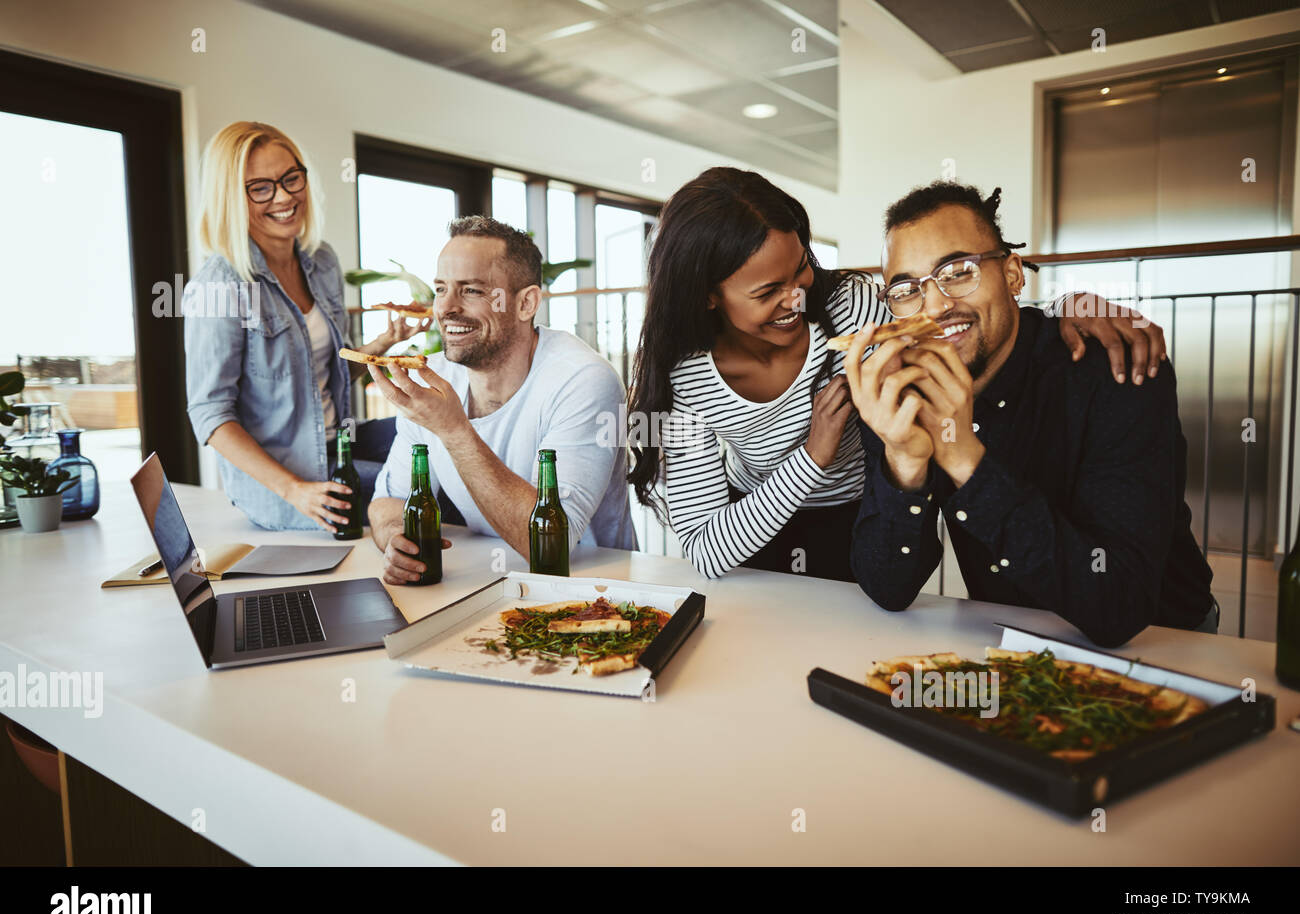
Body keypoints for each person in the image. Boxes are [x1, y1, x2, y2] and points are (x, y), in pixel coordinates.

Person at [626, 167, 1168, 582]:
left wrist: (1064, 305)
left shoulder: (854, 307)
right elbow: (704, 547)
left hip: (866, 515)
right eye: (768, 292)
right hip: (751, 534)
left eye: (801, 271)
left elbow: (952, 319)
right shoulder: (685, 380)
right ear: (708, 299)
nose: (798, 298)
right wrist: (812, 455)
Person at [845, 181, 1215, 647]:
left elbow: (1119, 605)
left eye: (958, 271)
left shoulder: (1114, 370)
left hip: (1168, 644)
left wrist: (964, 459)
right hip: (1010, 647)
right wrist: (903, 464)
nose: (935, 305)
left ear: (1014, 274)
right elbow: (887, 588)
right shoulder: (900, 394)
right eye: (906, 288)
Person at [184, 121, 430, 532]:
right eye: (260, 187)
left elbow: (329, 375)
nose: (284, 197)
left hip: (342, 443)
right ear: (230, 198)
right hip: (297, 480)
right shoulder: (220, 284)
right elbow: (210, 415)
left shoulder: (321, 260)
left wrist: (388, 340)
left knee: (439, 433)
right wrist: (295, 489)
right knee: (426, 487)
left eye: (290, 178)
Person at [366, 216, 636, 585]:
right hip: (484, 581)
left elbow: (551, 546)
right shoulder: (437, 378)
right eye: (441, 289)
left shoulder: (583, 380)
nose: (446, 308)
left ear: (526, 303)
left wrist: (454, 430)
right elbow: (387, 502)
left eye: (472, 291)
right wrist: (396, 540)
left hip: (592, 590)